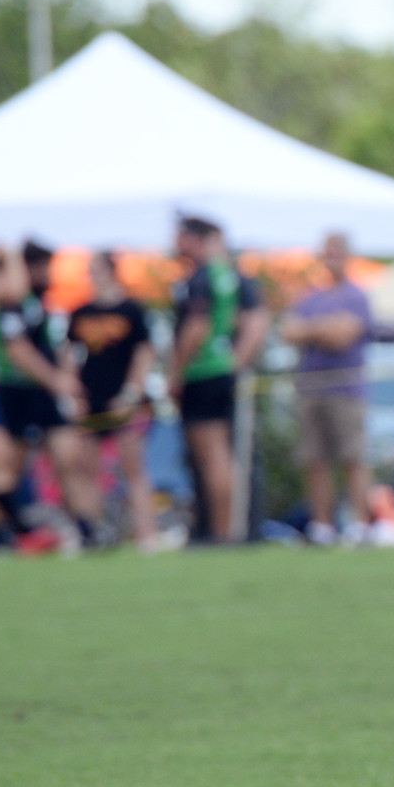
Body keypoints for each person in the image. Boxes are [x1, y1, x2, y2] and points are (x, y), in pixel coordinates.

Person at [0, 241, 88, 554]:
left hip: (42, 392)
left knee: (68, 457)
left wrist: (65, 378)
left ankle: (84, 527)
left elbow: (57, 345)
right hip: (14, 391)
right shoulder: (8, 302)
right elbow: (18, 352)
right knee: (7, 469)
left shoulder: (41, 303)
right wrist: (57, 382)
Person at [169, 216, 268, 543]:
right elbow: (255, 324)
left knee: (212, 454)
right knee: (221, 454)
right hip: (221, 370)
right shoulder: (232, 276)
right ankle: (224, 527)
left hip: (202, 372)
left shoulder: (202, 277)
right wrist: (235, 362)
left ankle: (220, 531)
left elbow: (195, 328)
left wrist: (176, 372)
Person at [281, 233, 375, 546]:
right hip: (310, 389)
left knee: (353, 458)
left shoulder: (357, 297)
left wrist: (311, 330)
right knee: (315, 459)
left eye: (337, 251)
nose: (331, 257)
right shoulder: (310, 297)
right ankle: (322, 526)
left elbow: (344, 335)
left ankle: (360, 525)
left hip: (346, 389)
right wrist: (324, 328)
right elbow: (289, 331)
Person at [64, 250, 159, 550]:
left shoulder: (132, 311)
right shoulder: (80, 312)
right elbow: (69, 355)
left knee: (133, 469)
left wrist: (131, 393)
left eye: (97, 269)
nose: (92, 275)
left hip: (124, 400)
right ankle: (93, 535)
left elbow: (145, 353)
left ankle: (147, 535)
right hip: (91, 399)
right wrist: (73, 394)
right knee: (87, 471)